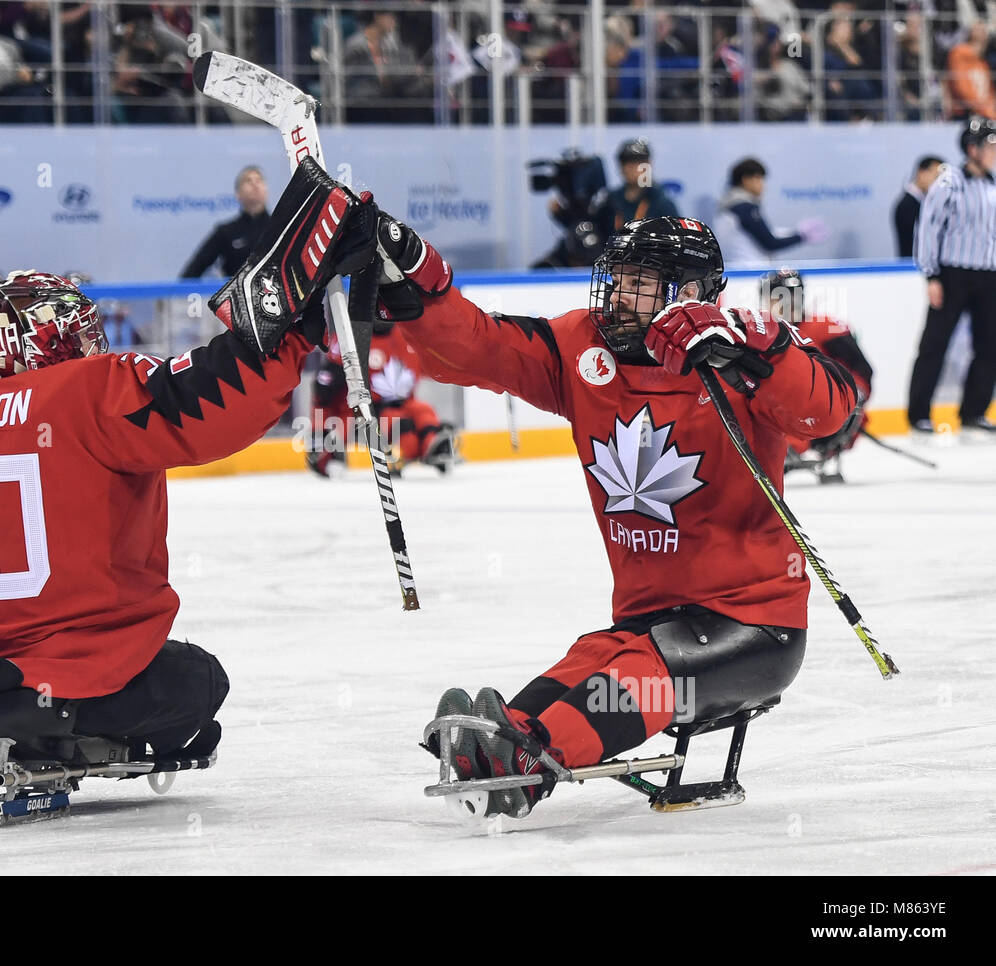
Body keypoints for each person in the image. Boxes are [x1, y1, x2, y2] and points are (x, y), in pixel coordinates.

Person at [0, 159, 376, 792]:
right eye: (78, 329)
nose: (90, 341)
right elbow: (217, 395)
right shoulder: (92, 392)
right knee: (199, 679)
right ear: (55, 339)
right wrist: (289, 308)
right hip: (69, 689)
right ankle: (67, 731)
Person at [341, 206, 856, 819]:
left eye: (639, 281)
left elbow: (828, 412)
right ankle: (510, 733)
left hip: (752, 626)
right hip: (646, 617)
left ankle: (532, 754)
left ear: (687, 293)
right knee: (595, 657)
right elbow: (474, 348)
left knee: (639, 669)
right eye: (618, 278)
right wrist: (413, 275)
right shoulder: (579, 347)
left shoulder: (739, 351)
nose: (617, 294)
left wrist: (750, 350)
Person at [909, 117, 996, 437]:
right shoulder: (949, 182)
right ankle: (918, 413)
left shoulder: (992, 184)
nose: (995, 150)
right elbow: (929, 229)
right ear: (972, 148)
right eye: (990, 144)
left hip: (989, 274)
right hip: (952, 273)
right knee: (935, 344)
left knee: (990, 345)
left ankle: (974, 411)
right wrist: (931, 275)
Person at [306, 320, 456, 477]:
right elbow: (323, 392)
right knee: (400, 427)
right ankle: (410, 450)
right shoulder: (351, 337)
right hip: (362, 411)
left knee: (424, 410)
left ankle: (433, 444)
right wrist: (320, 433)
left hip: (399, 406)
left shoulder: (407, 335)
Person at [760, 268, 873, 473]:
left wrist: (854, 397)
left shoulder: (824, 327)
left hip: (822, 414)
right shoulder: (762, 333)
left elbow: (862, 370)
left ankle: (787, 448)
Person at [715, 157, 827, 266]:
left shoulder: (730, 205)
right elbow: (770, 243)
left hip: (739, 269)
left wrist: (795, 232)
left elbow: (760, 234)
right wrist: (801, 236)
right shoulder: (743, 207)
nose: (763, 185)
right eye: (759, 179)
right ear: (746, 180)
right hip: (749, 272)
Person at [179, 166, 270, 279]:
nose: (255, 185)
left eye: (259, 180)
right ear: (238, 194)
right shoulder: (226, 231)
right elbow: (194, 270)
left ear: (266, 189)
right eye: (248, 181)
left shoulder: (281, 227)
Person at [589, 138, 679, 243]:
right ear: (621, 167)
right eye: (627, 162)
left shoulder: (662, 202)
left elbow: (675, 242)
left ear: (649, 164)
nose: (633, 168)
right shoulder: (609, 200)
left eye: (640, 161)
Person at [893, 156, 945, 258]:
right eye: (936, 177)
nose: (939, 184)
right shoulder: (907, 205)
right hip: (913, 268)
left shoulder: (922, 203)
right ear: (921, 173)